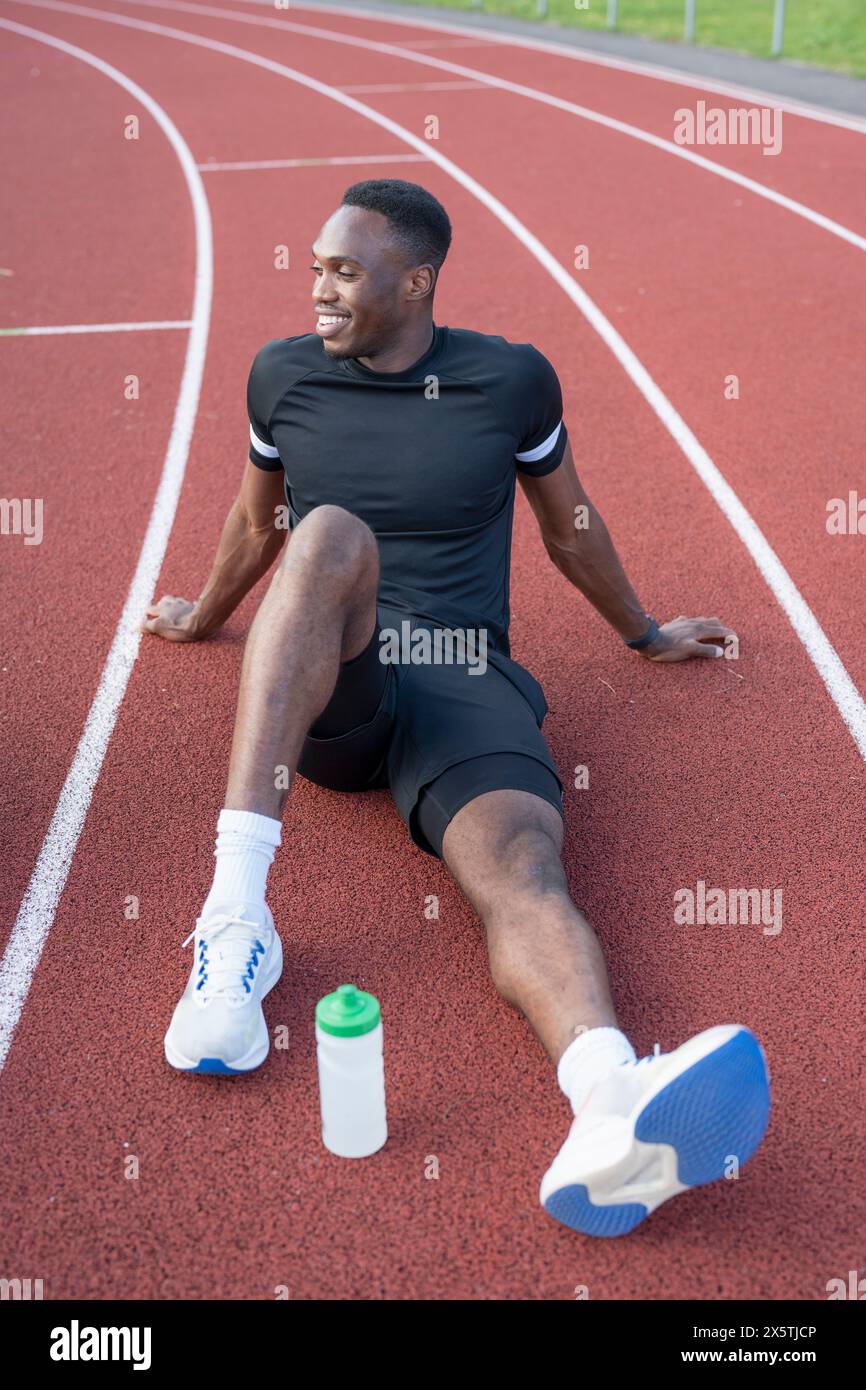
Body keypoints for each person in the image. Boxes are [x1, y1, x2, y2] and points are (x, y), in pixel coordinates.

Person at [142, 180, 770, 1237]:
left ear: (417, 280)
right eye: (313, 268)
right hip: (339, 675)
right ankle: (234, 923)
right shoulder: (280, 376)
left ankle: (605, 1095)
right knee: (329, 533)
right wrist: (203, 615)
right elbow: (260, 528)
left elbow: (568, 525)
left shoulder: (507, 380)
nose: (318, 291)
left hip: (463, 673)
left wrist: (643, 631)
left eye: (344, 273)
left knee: (524, 862)